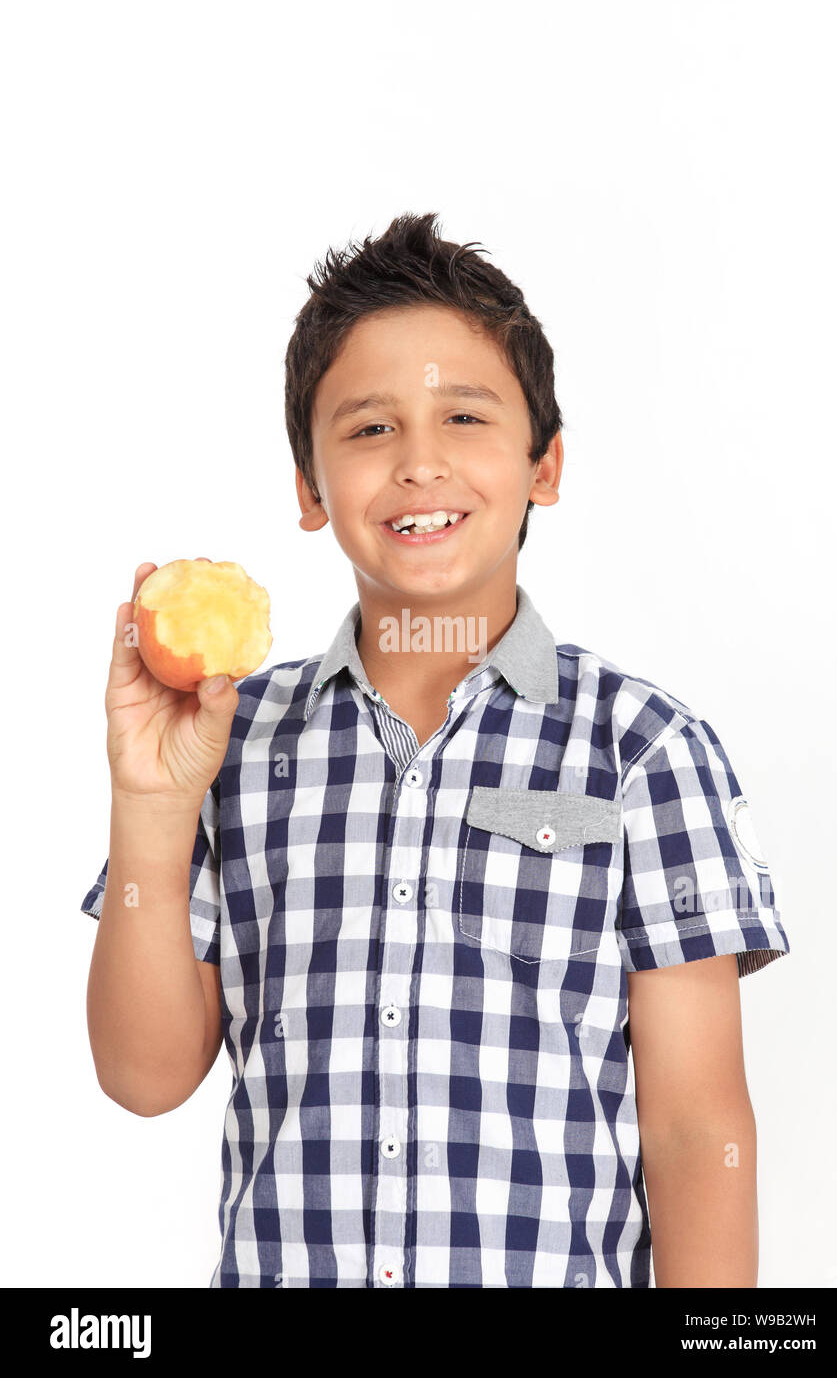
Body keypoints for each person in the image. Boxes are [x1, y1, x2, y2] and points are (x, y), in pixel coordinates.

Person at [79, 211, 790, 1288]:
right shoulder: (227, 746)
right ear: (311, 489)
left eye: (463, 416)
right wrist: (148, 802)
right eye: (368, 429)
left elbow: (696, 1129)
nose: (418, 464)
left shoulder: (643, 752)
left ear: (542, 464)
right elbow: (142, 1074)